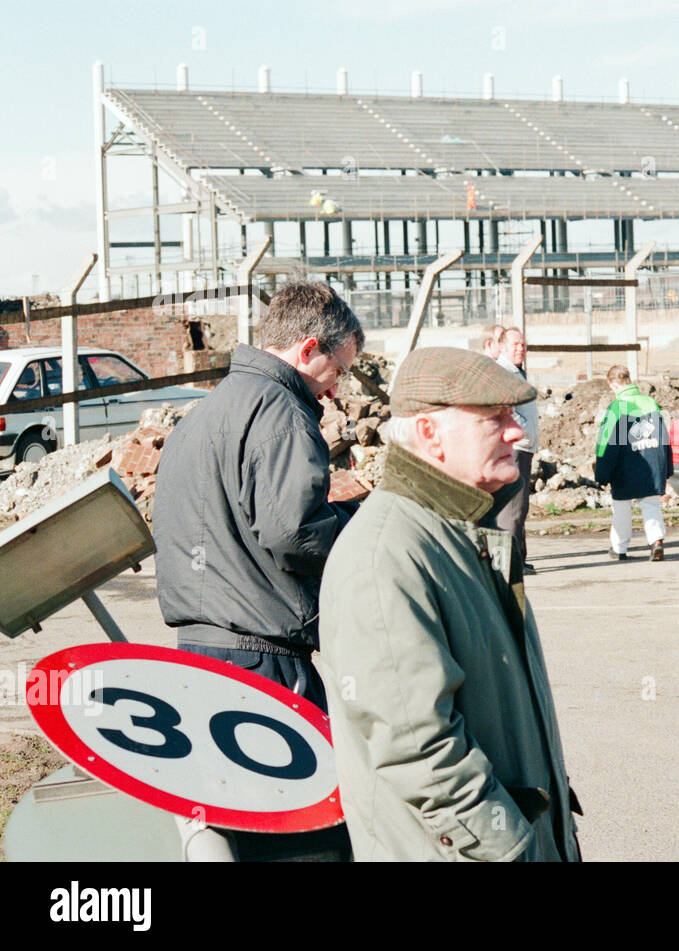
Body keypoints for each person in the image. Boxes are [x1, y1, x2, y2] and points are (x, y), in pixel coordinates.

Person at [316, 347, 582, 862]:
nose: (516, 432)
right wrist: (516, 849)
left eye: (512, 415)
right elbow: (420, 751)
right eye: (493, 419)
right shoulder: (386, 557)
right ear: (429, 434)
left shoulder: (461, 532)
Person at [153, 281, 363, 710]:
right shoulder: (283, 415)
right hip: (263, 660)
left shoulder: (204, 414)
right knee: (305, 776)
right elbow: (295, 534)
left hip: (197, 649)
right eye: (339, 369)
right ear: (308, 349)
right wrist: (360, 523)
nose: (335, 388)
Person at [594, 364, 673, 561]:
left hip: (625, 466)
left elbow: (606, 443)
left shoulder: (616, 408)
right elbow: (664, 437)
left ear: (613, 385)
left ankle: (619, 548)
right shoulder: (650, 403)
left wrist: (602, 473)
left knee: (621, 505)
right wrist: (667, 467)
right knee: (651, 504)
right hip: (652, 463)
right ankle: (656, 542)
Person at [487, 326, 538, 573]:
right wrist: (525, 429)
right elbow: (505, 408)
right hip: (515, 446)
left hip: (523, 446)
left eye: (524, 344)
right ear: (503, 348)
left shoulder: (516, 372)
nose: (521, 349)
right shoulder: (504, 372)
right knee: (513, 506)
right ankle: (510, 562)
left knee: (520, 506)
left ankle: (518, 557)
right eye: (516, 345)